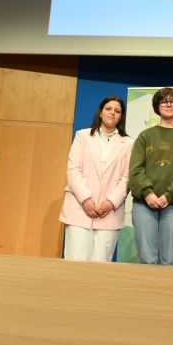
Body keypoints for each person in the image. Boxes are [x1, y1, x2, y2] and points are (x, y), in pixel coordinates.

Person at [59, 96, 134, 261]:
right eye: (108, 109)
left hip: (109, 213)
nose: (112, 113)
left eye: (117, 111)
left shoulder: (128, 143)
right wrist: (85, 199)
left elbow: (127, 177)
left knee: (100, 265)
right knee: (76, 261)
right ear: (100, 112)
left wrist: (111, 202)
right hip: (79, 208)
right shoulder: (82, 136)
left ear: (121, 116)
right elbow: (73, 169)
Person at [129, 88, 173, 265]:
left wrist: (169, 196)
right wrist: (148, 194)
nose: (168, 104)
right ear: (157, 106)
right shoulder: (145, 136)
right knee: (147, 259)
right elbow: (136, 169)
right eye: (164, 101)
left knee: (170, 260)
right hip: (144, 204)